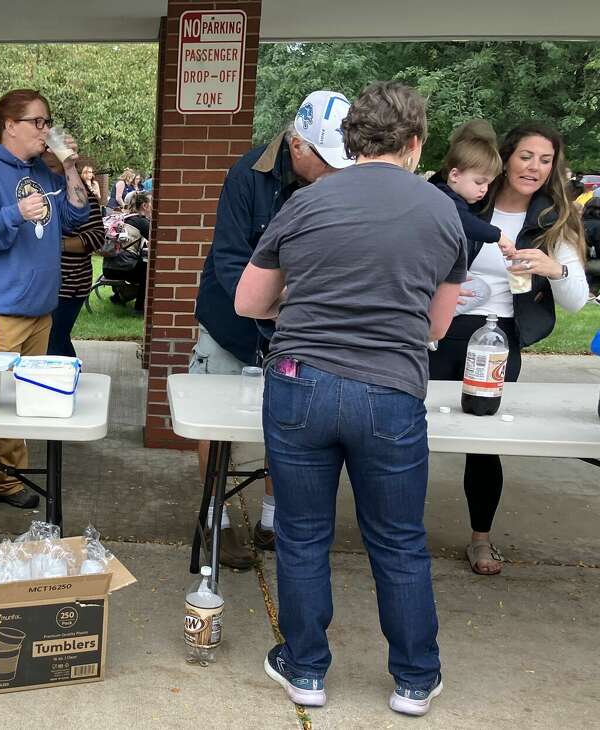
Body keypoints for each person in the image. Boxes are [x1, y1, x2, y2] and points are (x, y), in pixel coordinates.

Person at [235, 81, 466, 718]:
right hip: (390, 389)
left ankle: (306, 670)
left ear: (352, 139)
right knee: (398, 541)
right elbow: (438, 328)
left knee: (303, 535)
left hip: (299, 381)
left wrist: (306, 302)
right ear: (416, 144)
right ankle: (415, 679)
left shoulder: (307, 203)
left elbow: (249, 303)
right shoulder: (442, 212)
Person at [191, 90, 353, 567]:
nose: (333, 172)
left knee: (285, 424)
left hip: (296, 326)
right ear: (297, 145)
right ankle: (214, 517)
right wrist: (276, 308)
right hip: (230, 319)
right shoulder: (248, 175)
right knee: (212, 421)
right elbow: (227, 260)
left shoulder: (333, 178)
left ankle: (271, 517)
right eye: (325, 160)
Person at [427, 122, 588, 576]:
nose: (534, 168)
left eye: (546, 160)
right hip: (441, 330)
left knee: (484, 442)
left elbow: (576, 301)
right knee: (410, 430)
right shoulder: (468, 199)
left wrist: (553, 269)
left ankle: (481, 539)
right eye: (526, 156)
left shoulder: (552, 218)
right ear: (506, 157)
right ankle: (396, 532)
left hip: (498, 339)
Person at [0, 88, 90, 523]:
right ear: (11, 125)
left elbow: (73, 217)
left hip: (38, 309)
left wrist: (68, 170)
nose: (46, 130)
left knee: (19, 405)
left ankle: (6, 480)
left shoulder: (40, 170)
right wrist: (14, 213)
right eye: (39, 122)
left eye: (49, 123)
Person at [427, 120, 517, 259]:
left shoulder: (456, 192)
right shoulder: (442, 195)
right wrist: (498, 236)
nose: (485, 189)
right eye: (479, 182)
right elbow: (463, 221)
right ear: (454, 174)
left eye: (489, 184)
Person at [48, 156, 106, 358]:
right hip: (45, 286)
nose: (47, 171)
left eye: (52, 166)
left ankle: (66, 385)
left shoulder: (80, 194)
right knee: (57, 341)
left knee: (53, 342)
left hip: (69, 285)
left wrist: (54, 244)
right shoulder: (41, 191)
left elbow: (97, 237)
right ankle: (71, 383)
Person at [105, 191, 152, 312]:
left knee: (142, 265)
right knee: (149, 271)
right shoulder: (142, 222)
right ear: (144, 206)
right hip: (122, 268)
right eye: (152, 203)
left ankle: (119, 297)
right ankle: (140, 308)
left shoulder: (126, 217)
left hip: (108, 267)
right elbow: (158, 242)